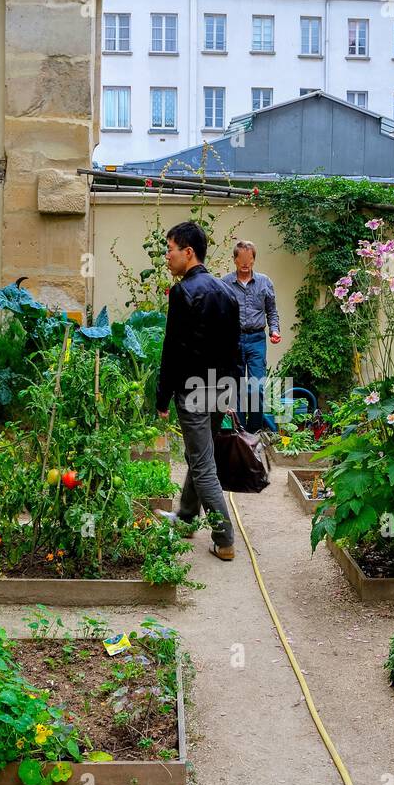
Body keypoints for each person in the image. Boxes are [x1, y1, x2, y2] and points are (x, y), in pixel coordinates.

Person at [154, 220, 241, 561]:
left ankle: (224, 540)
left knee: (203, 465)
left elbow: (172, 349)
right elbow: (235, 349)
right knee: (199, 456)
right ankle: (187, 516)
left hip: (193, 391)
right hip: (221, 388)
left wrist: (162, 396)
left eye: (170, 250)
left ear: (188, 252)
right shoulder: (227, 292)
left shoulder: (182, 293)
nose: (166, 257)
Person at [220, 241, 281, 433]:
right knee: (236, 389)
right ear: (235, 260)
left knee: (256, 388)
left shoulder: (265, 282)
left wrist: (274, 330)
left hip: (256, 339)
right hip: (233, 341)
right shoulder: (225, 283)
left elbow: (271, 310)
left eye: (250, 259)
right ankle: (241, 431)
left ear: (254, 259)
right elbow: (220, 312)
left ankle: (255, 431)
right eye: (242, 259)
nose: (246, 263)